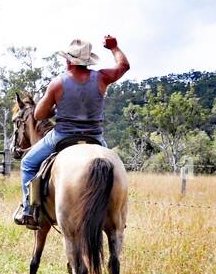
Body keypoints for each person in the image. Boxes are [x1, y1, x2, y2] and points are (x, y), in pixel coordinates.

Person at [13, 35, 130, 228]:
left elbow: (39, 114)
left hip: (62, 136)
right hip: (95, 138)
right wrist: (114, 47)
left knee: (27, 164)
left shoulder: (58, 83)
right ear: (87, 61)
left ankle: (29, 210)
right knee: (114, 168)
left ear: (69, 61)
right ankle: (118, 216)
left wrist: (56, 106)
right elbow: (123, 66)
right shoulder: (102, 78)